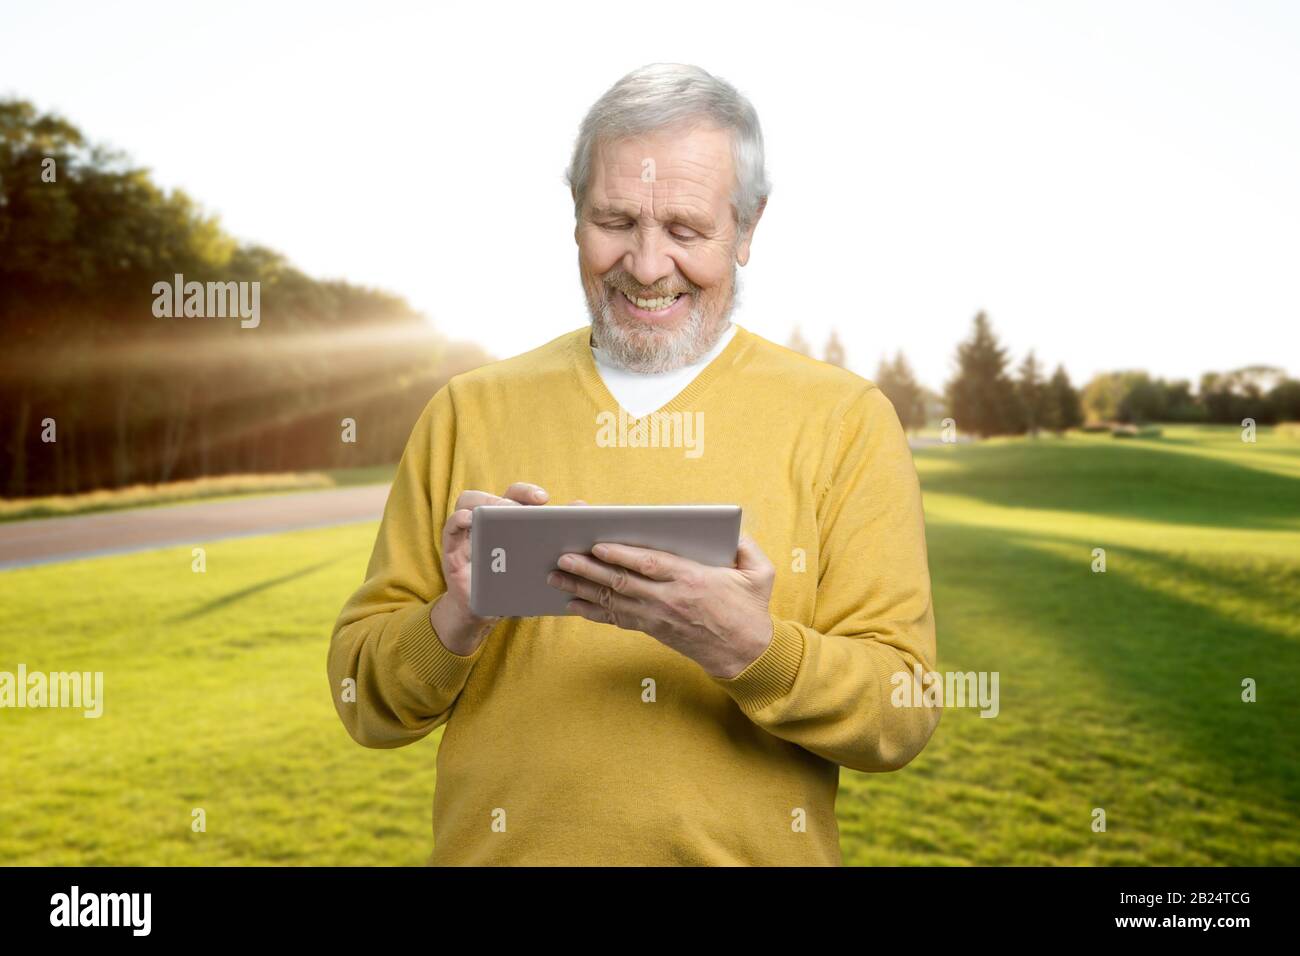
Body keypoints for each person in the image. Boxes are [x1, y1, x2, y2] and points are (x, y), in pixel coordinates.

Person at [328, 62, 940, 865]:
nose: (647, 267)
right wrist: (459, 614)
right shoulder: (467, 410)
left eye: (686, 230)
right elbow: (363, 701)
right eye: (614, 221)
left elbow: (902, 713)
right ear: (575, 214)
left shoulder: (845, 421)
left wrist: (749, 648)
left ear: (749, 228)